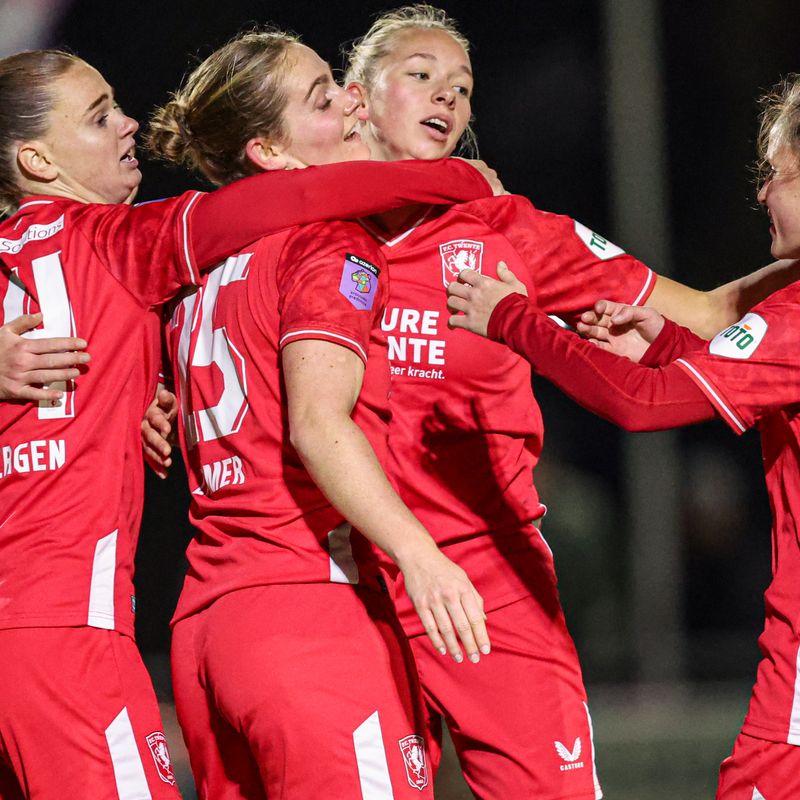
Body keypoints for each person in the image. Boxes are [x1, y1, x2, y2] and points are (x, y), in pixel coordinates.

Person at [0, 47, 496, 799]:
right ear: (36, 160)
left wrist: (136, 393)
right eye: (100, 118)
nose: (128, 124)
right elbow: (316, 413)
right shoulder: (135, 245)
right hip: (258, 611)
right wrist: (459, 178)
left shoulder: (180, 290)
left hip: (202, 627)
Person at [341, 6, 800, 797]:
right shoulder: (295, 231)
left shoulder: (508, 230)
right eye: (422, 74)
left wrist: (516, 315)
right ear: (355, 98)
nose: (448, 95)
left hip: (483, 575)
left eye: (463, 86)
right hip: (340, 576)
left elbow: (700, 324)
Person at [145, 28, 493, 798]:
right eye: (322, 99)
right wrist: (421, 555)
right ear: (271, 152)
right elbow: (317, 421)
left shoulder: (199, 266)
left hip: (205, 626)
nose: (351, 101)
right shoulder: (327, 244)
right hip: (309, 613)